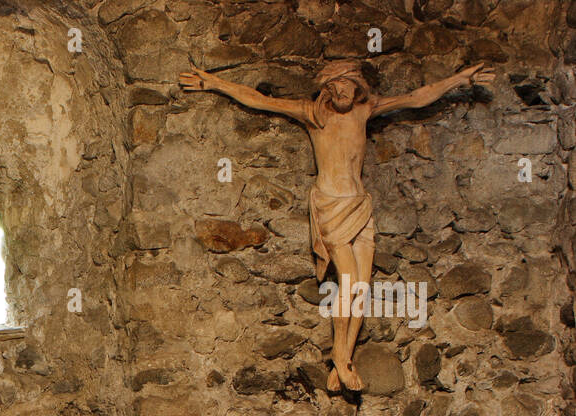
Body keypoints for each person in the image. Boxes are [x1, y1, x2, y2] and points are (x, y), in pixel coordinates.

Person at [179, 60, 494, 392]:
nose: (341, 92)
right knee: (350, 285)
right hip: (331, 205)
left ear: (356, 87)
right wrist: (215, 83)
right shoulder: (313, 115)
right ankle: (341, 358)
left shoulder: (364, 110)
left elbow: (416, 97)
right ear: (326, 89)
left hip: (359, 204)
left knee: (362, 287)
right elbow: (259, 99)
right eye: (334, 87)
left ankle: (342, 361)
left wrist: (460, 77)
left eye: (347, 86)